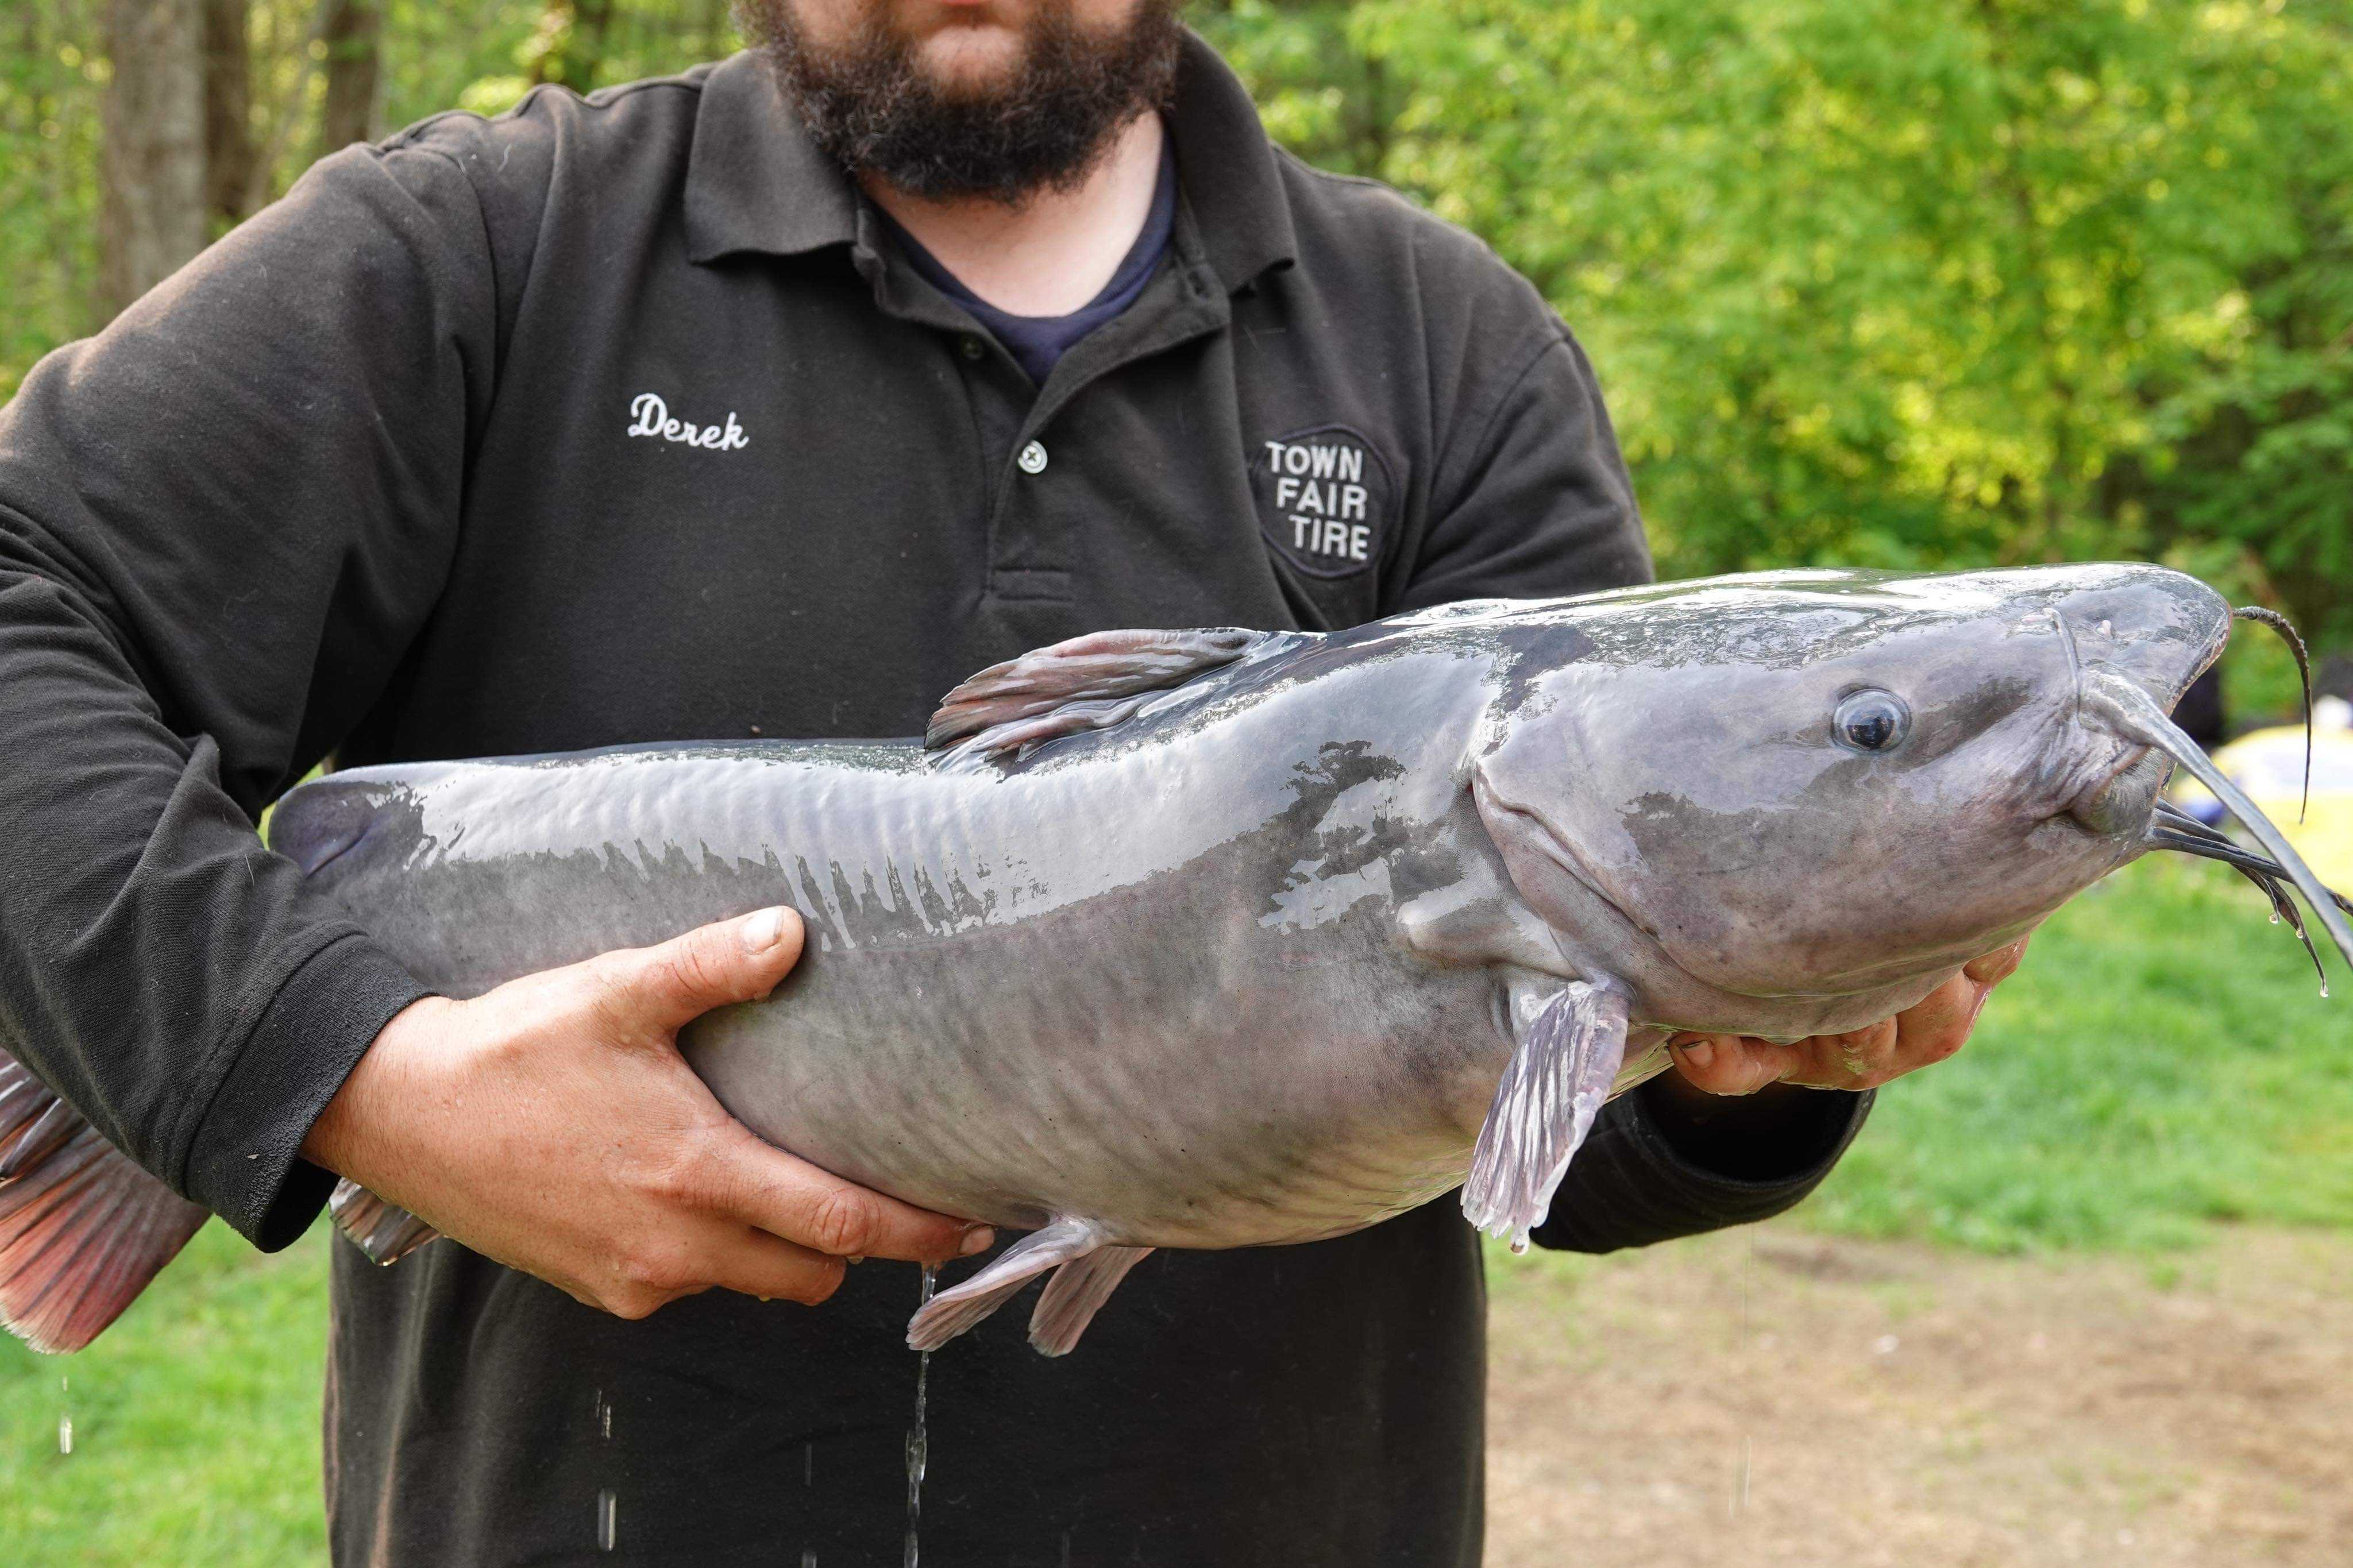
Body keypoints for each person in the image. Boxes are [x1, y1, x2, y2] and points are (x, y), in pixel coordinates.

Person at [0, 2, 2027, 1562]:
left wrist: (1765, 1048)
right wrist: (340, 1070)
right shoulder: (478, 257)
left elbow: (1552, 1136)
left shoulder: (1447, 356)